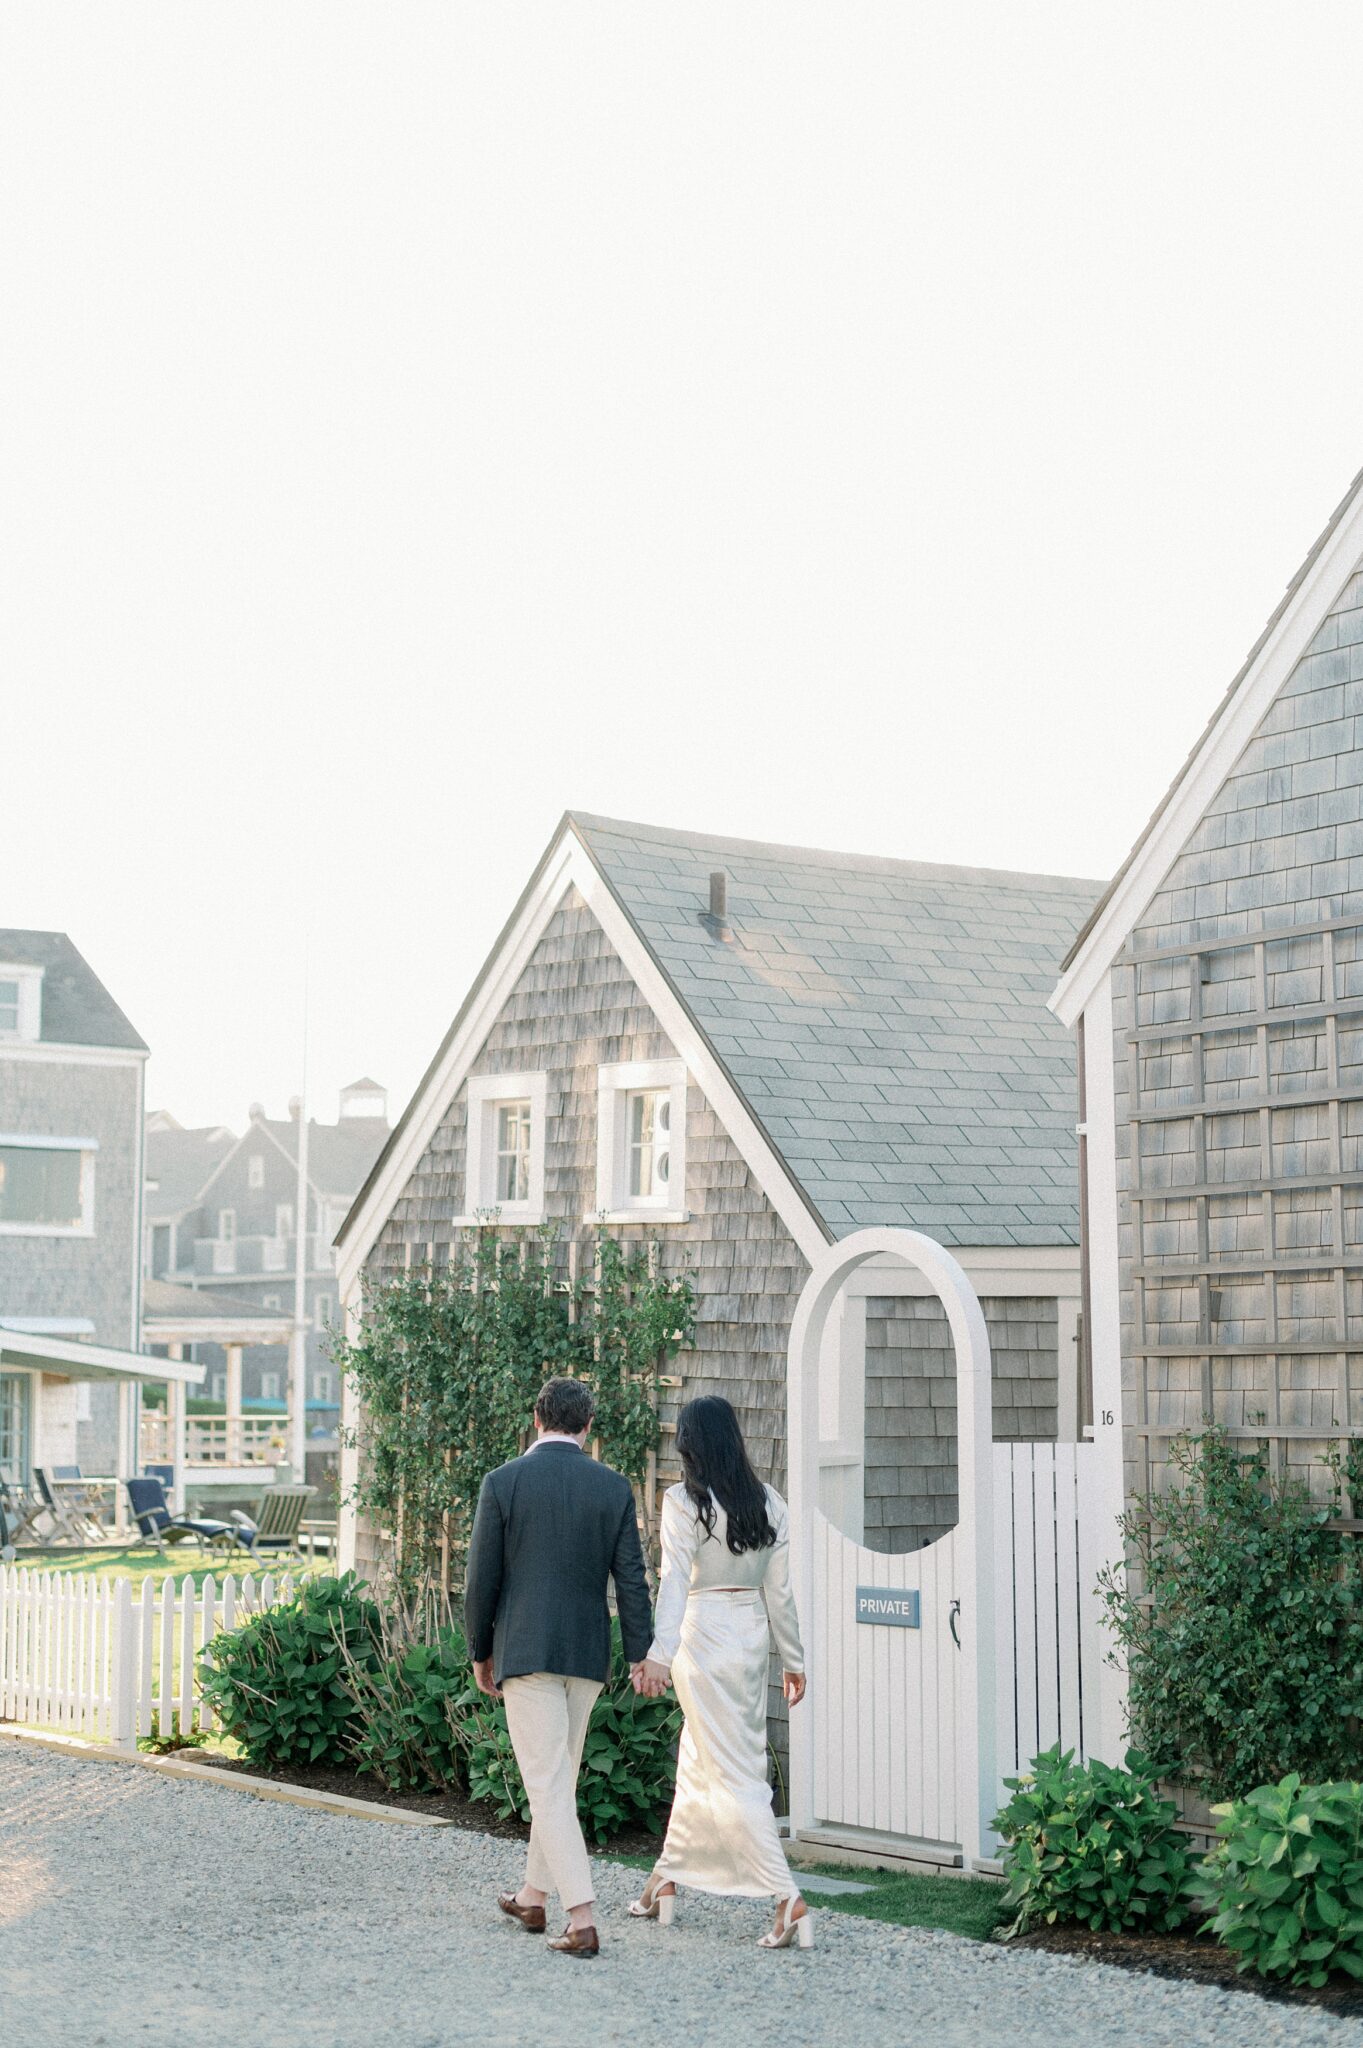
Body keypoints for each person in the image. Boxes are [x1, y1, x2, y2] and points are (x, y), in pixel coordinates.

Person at [464, 1375, 656, 1959]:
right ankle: (531, 1897)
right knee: (559, 1780)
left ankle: (583, 1918)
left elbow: (481, 1581)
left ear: (536, 1417)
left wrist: (479, 1650)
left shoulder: (503, 1482)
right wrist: (639, 1652)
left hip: (527, 1651)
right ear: (587, 1426)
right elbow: (632, 1580)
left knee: (546, 1784)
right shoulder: (613, 1487)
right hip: (587, 1656)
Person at [629, 1394, 813, 1950]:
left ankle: (787, 1896)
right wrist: (795, 1660)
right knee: (701, 1759)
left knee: (732, 1770)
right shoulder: (771, 1504)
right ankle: (663, 1881)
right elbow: (780, 1594)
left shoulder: (683, 1503)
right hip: (750, 1637)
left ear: (689, 1443)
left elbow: (674, 1584)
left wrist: (658, 1654)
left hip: (702, 1637)